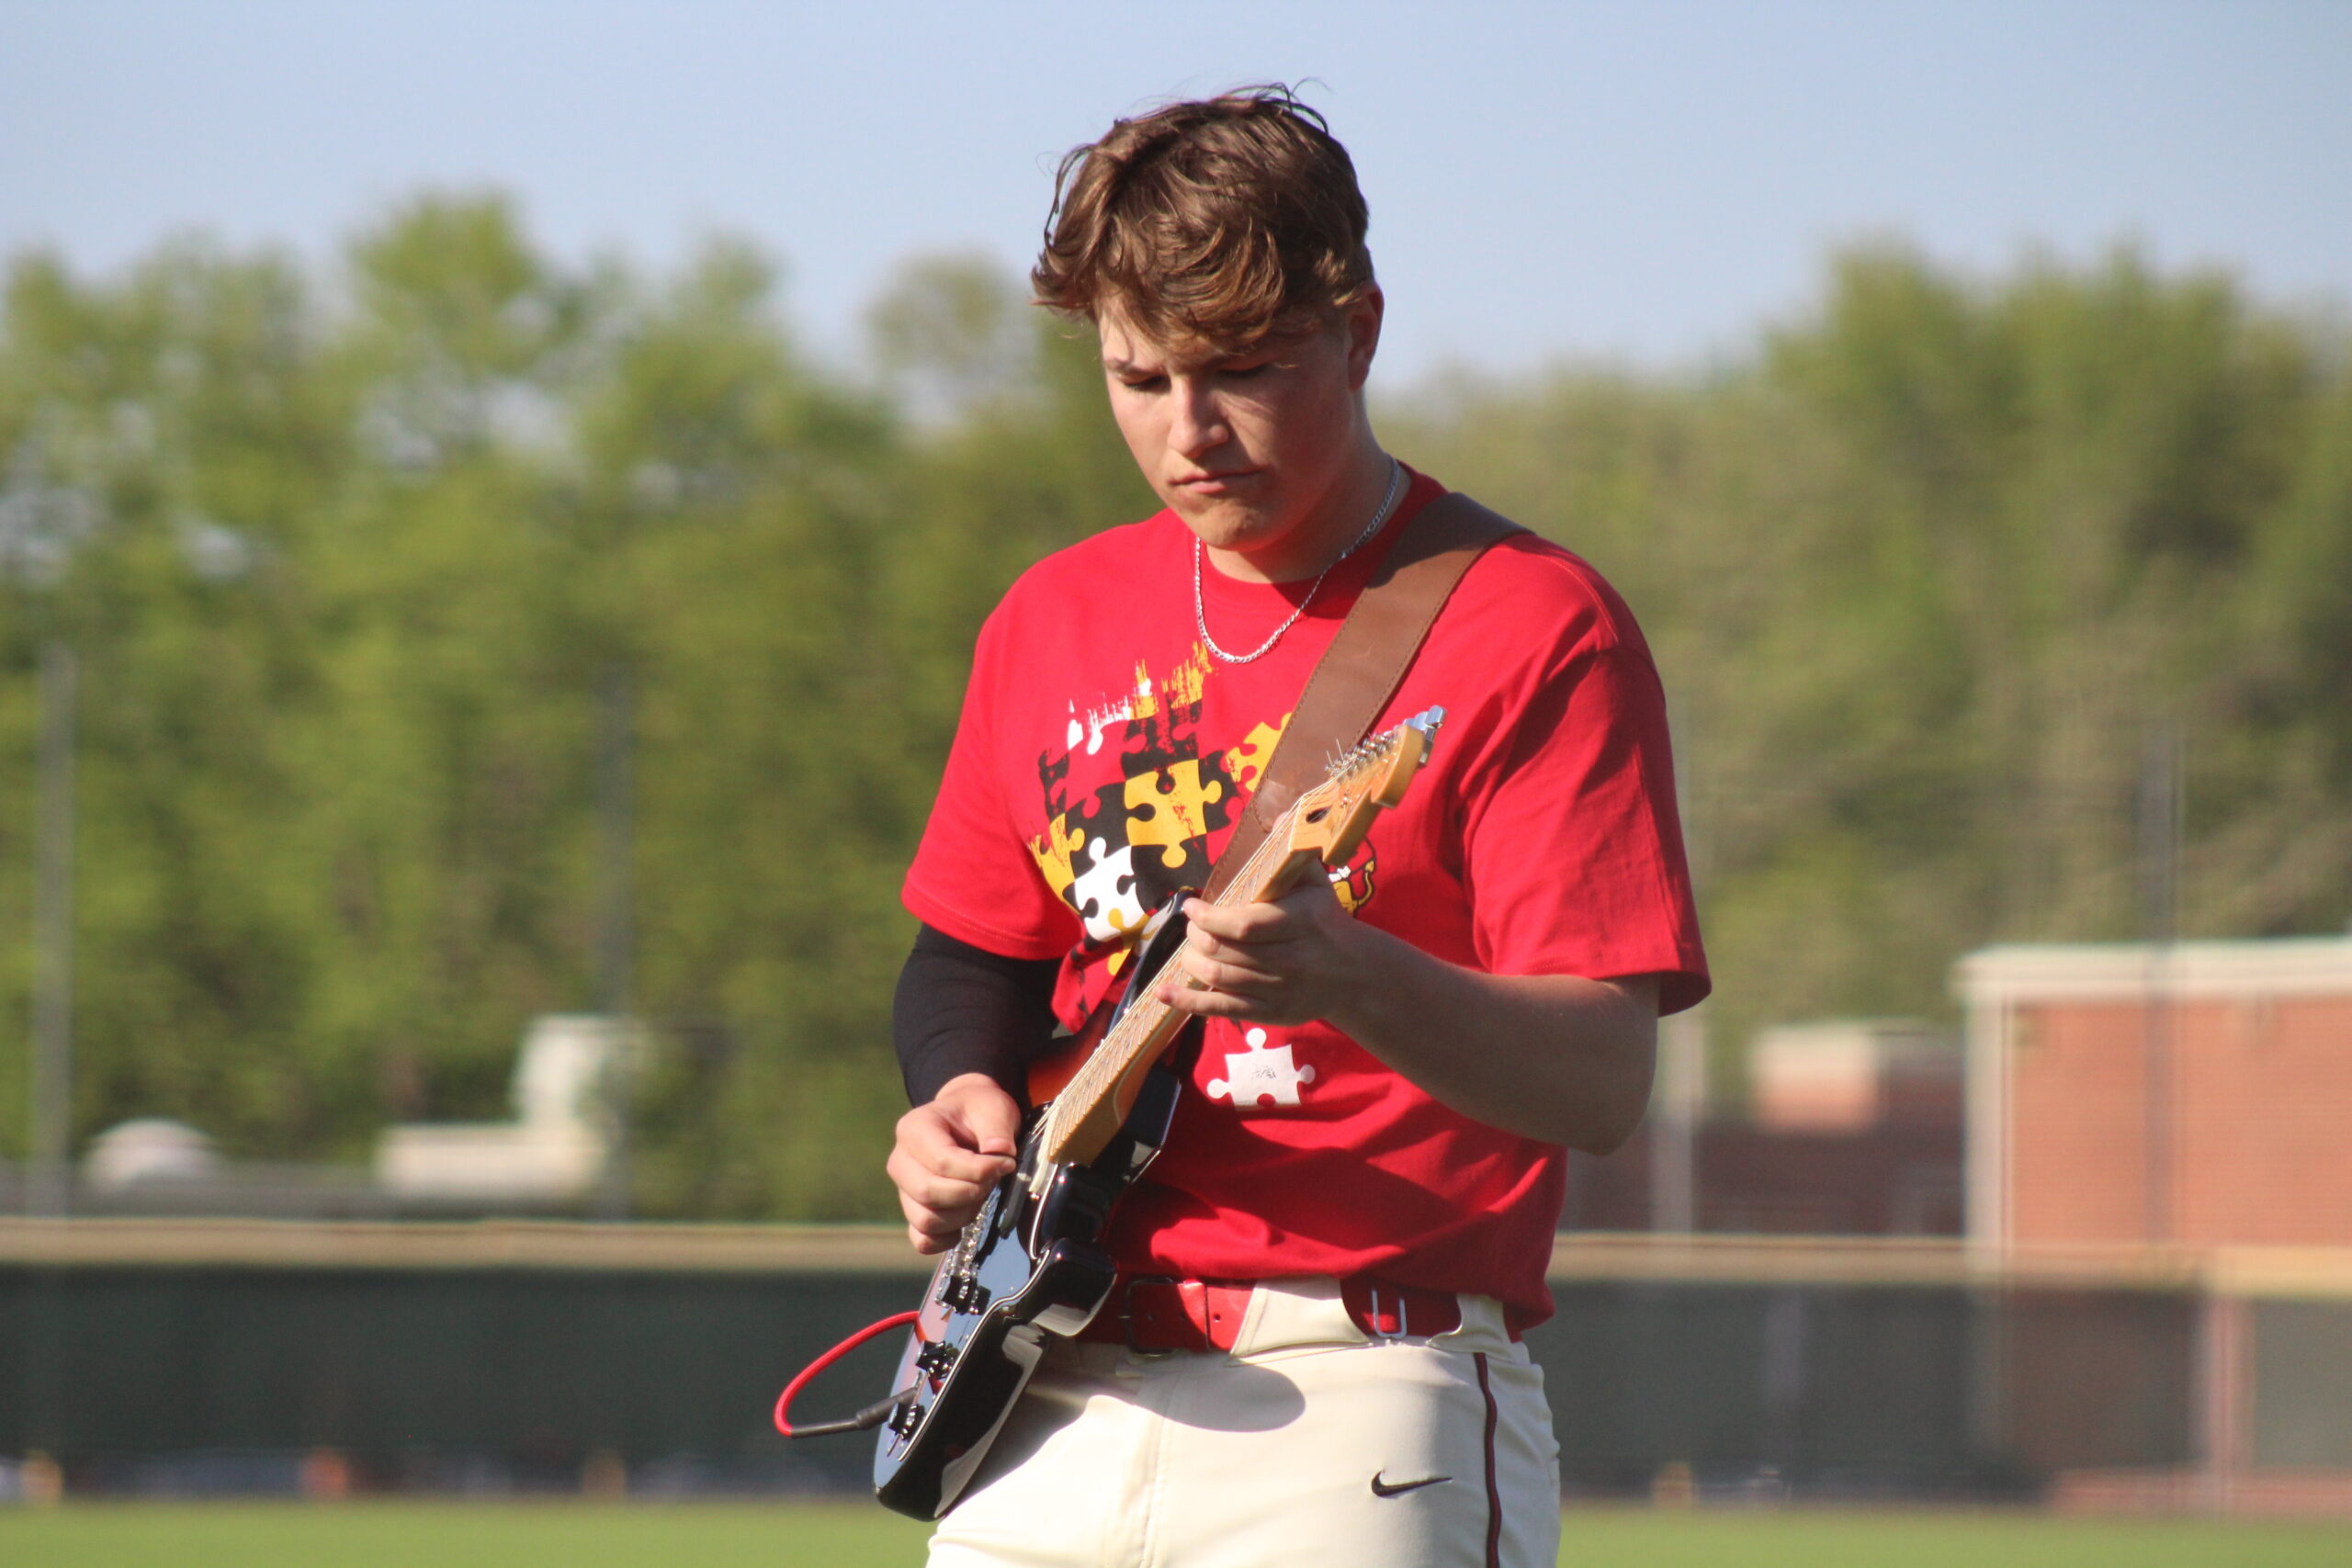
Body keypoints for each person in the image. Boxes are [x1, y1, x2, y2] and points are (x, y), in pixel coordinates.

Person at [887, 86, 1707, 1568]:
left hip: (1358, 1396)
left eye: (1244, 371)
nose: (1189, 431)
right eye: (1138, 379)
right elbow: (971, 958)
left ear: (1362, 327)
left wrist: (1350, 977)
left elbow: (1602, 1077)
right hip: (1035, 1385)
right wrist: (950, 1101)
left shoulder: (1531, 622)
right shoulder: (1049, 615)